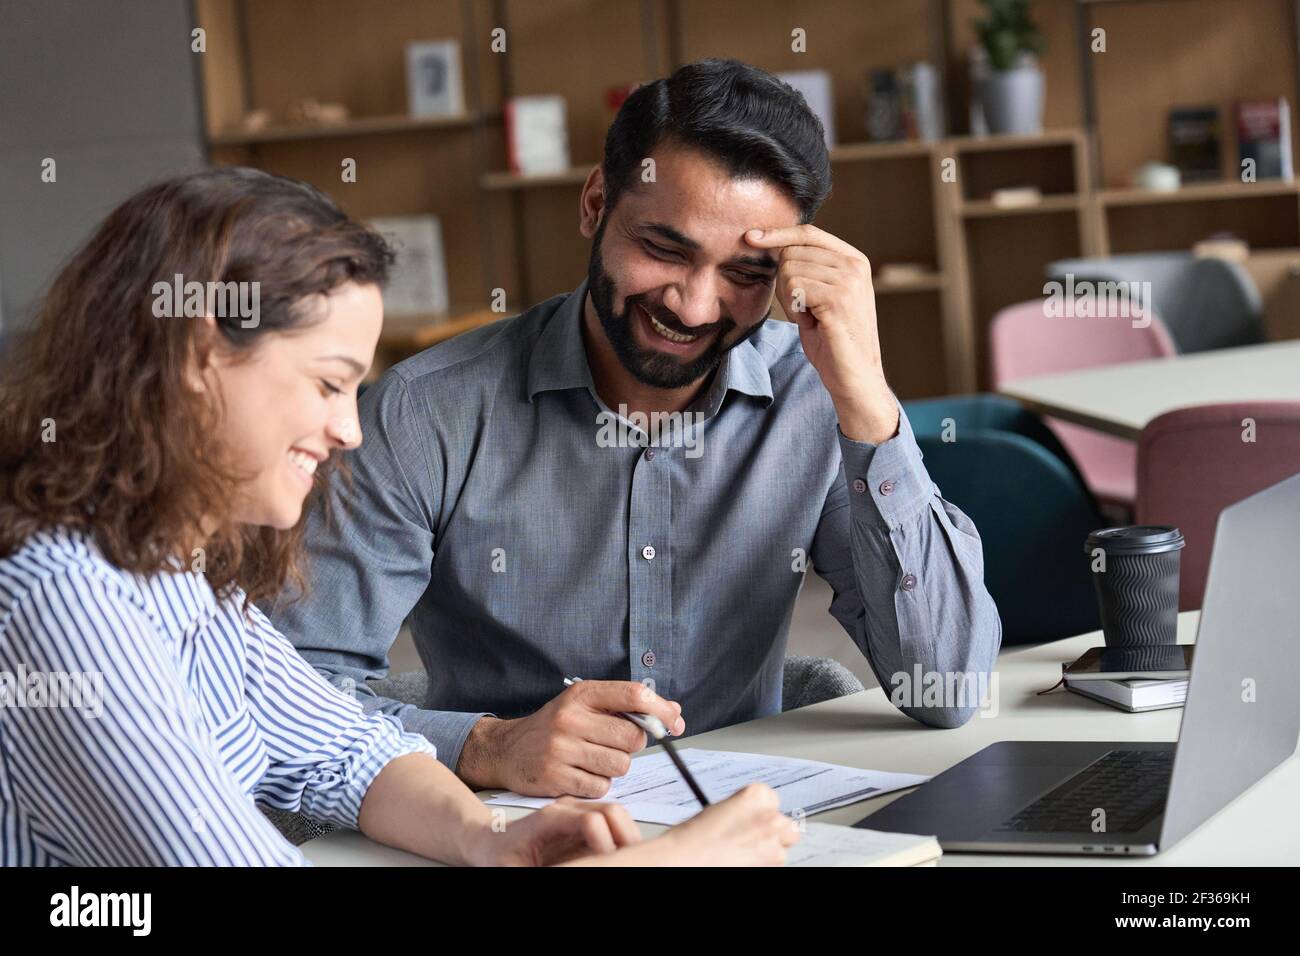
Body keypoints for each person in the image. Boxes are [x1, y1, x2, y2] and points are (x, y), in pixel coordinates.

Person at [0, 167, 798, 866]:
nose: (350, 430)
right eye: (327, 383)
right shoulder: (68, 602)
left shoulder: (175, 569)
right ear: (200, 362)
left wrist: (487, 839)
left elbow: (342, 752)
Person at [272, 59, 1003, 799]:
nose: (692, 306)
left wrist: (869, 402)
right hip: (504, 830)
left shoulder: (815, 396)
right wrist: (488, 746)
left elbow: (945, 688)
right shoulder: (424, 414)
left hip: (748, 834)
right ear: (595, 202)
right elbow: (282, 706)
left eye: (745, 275)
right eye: (664, 249)